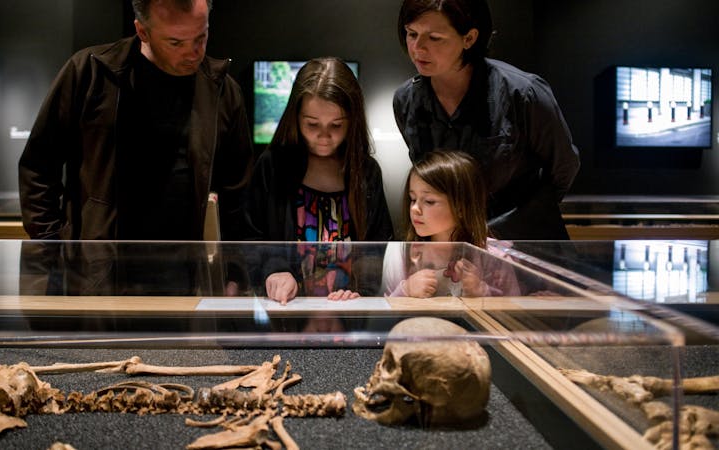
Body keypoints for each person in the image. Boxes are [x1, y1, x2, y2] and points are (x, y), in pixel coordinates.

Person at [18, 0, 253, 241]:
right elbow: (39, 166)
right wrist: (51, 247)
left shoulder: (222, 90)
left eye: (201, 37)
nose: (195, 53)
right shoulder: (90, 73)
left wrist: (234, 270)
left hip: (184, 267)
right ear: (142, 31)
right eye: (176, 42)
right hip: (97, 266)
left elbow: (238, 193)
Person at [393, 0, 580, 240]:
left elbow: (563, 168)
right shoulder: (405, 99)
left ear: (469, 38)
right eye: (411, 34)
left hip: (521, 242)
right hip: (454, 247)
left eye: (435, 38)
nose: (418, 48)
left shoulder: (522, 93)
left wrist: (509, 228)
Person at [243, 57, 394, 304]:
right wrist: (274, 269)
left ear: (352, 121)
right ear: (296, 117)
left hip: (348, 309)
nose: (324, 136)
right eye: (312, 124)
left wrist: (362, 291)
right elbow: (250, 235)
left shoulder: (366, 171)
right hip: (286, 309)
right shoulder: (273, 165)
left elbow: (379, 245)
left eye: (336, 125)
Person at [381, 150, 519, 298]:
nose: (414, 208)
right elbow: (384, 314)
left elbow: (513, 313)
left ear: (461, 208)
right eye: (413, 199)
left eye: (429, 201)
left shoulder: (494, 258)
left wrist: (480, 292)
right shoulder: (400, 254)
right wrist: (405, 290)